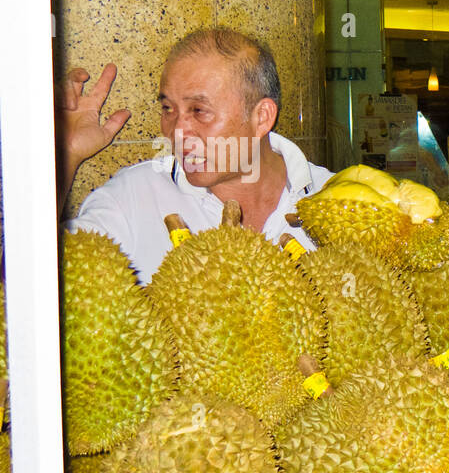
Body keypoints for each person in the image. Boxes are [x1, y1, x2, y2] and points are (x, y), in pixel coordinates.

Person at [58, 27, 331, 282]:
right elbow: (32, 275)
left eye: (199, 110)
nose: (176, 131)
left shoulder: (340, 200)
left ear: (261, 117)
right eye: (168, 109)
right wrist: (62, 155)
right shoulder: (132, 197)